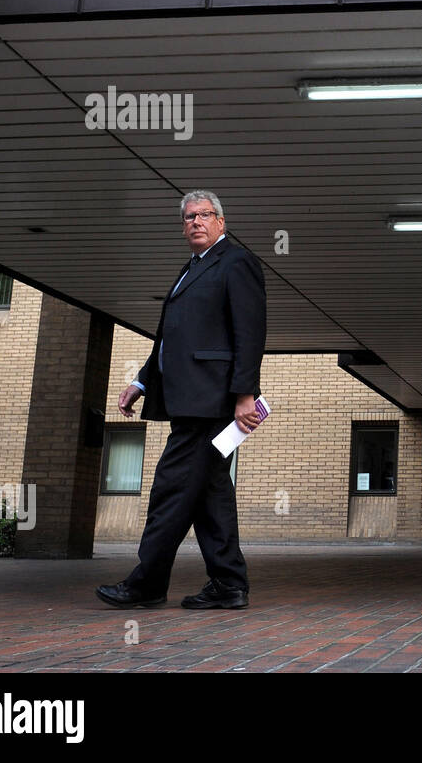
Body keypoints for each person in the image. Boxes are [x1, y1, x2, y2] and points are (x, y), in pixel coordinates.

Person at [96, 191, 266, 610]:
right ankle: (229, 584)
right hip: (189, 399)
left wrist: (246, 394)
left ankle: (147, 584)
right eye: (189, 217)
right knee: (210, 495)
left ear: (221, 222)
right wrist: (142, 382)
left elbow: (250, 333)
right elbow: (171, 339)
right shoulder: (192, 268)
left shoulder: (236, 262)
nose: (196, 222)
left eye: (204, 215)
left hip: (211, 402)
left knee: (171, 491)